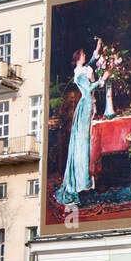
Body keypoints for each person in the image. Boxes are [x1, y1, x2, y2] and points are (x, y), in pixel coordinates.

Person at [54, 38, 104, 205]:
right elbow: (89, 89)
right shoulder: (78, 74)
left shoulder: (83, 68)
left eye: (84, 54)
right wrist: (102, 80)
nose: (84, 55)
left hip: (89, 105)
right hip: (84, 108)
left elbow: (91, 61)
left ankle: (88, 182)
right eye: (82, 54)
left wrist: (97, 48)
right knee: (83, 145)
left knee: (88, 143)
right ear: (77, 59)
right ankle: (82, 184)